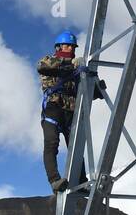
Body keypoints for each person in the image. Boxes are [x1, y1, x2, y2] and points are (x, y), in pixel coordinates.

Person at [37, 31, 106, 192]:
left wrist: (97, 88)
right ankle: (55, 181)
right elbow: (43, 67)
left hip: (71, 112)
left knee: (76, 148)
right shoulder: (50, 61)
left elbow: (86, 92)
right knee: (51, 143)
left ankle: (80, 181)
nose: (69, 48)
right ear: (59, 46)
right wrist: (71, 64)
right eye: (66, 45)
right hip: (53, 109)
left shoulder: (78, 71)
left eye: (72, 46)